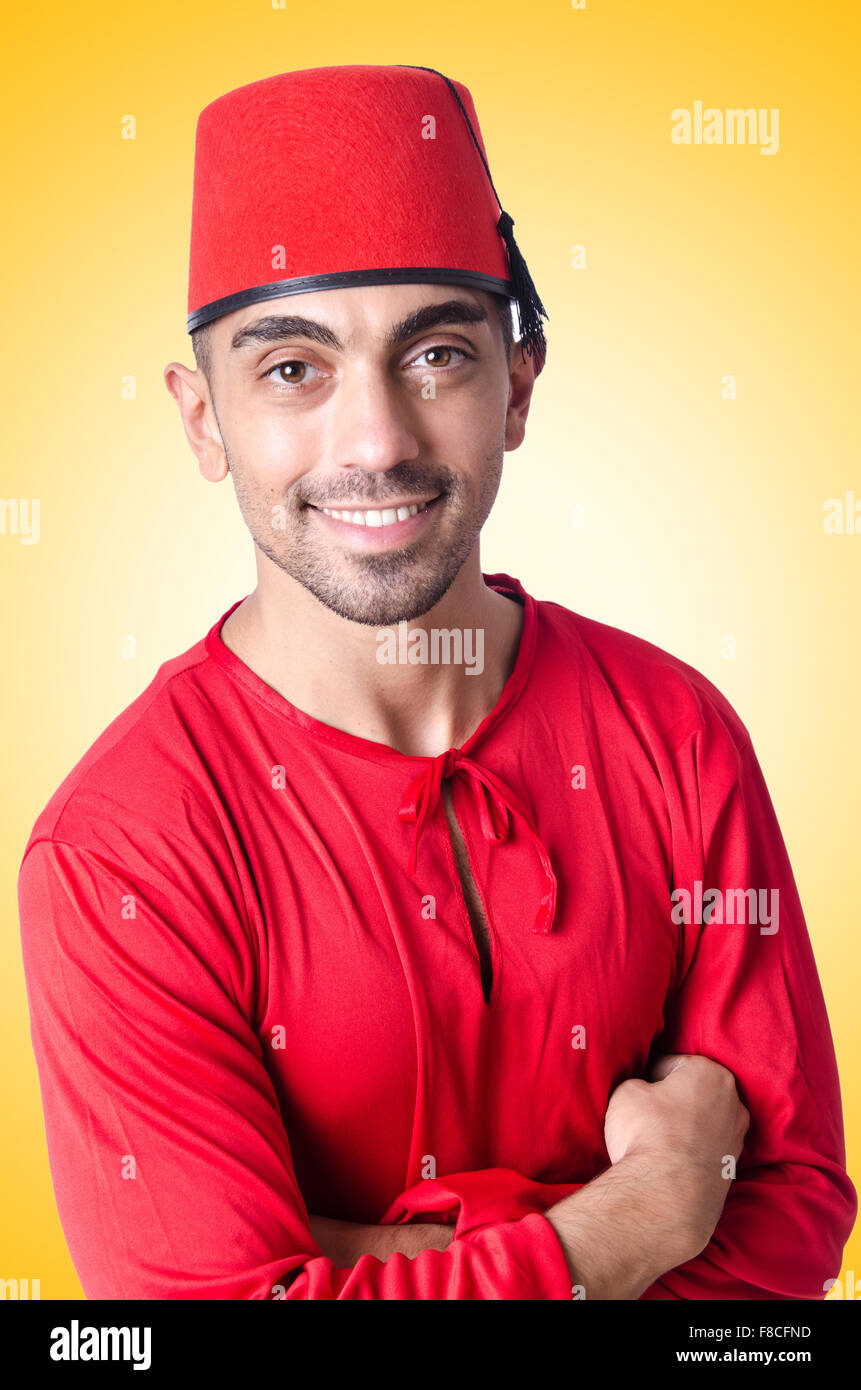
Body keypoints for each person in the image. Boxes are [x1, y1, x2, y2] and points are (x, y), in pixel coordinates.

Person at [17, 64, 855, 1300]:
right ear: (203, 422)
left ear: (516, 386)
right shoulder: (121, 855)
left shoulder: (679, 735)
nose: (377, 443)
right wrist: (638, 1216)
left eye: (440, 353)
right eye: (292, 368)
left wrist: (374, 1260)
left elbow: (791, 1229)